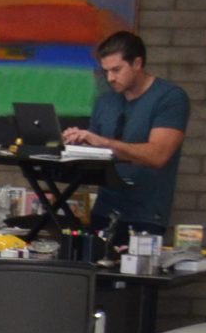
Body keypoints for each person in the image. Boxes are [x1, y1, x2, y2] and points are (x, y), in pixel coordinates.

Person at [62, 31, 189, 239]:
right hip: (105, 209)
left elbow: (158, 155)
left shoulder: (170, 98)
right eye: (106, 71)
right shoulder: (105, 101)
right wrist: (77, 142)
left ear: (137, 63)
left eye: (117, 70)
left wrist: (103, 142)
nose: (111, 78)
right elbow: (97, 155)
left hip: (145, 214)